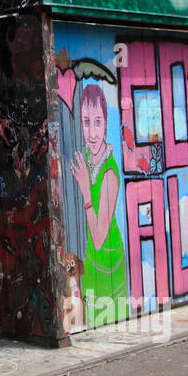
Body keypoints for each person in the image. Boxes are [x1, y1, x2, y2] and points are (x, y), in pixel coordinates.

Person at [70, 83, 127, 322]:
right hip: (93, 259)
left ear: (106, 123)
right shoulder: (88, 161)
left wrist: (85, 190)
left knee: (107, 319)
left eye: (98, 122)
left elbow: (98, 236)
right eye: (86, 122)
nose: (92, 134)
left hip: (109, 259)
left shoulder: (109, 173)